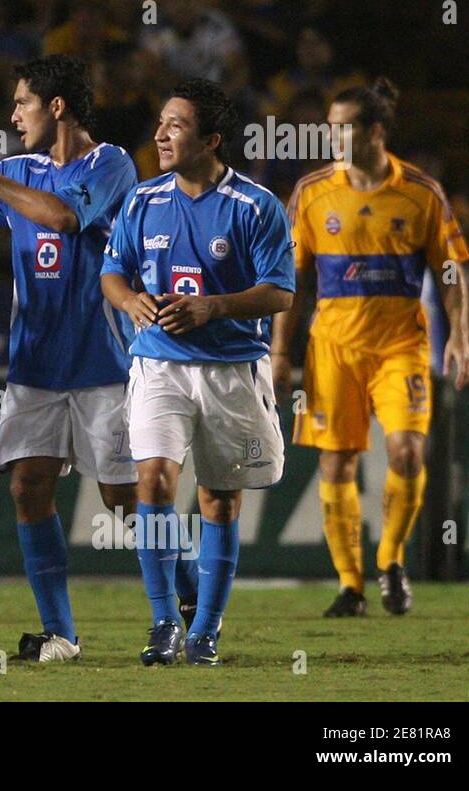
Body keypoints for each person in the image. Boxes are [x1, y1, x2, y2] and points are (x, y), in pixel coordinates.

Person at [0, 56, 140, 662]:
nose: (14, 114)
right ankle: (61, 633)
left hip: (103, 363)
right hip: (34, 366)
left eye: (23, 103)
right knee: (28, 487)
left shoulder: (111, 164)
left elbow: (66, 217)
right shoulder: (19, 169)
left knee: (126, 500)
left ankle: (184, 607)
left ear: (56, 107)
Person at [101, 78, 294, 666]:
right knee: (154, 482)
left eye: (176, 125)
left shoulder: (255, 206)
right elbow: (113, 271)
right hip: (159, 364)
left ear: (211, 139)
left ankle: (206, 629)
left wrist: (216, 305)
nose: (160, 134)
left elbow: (281, 294)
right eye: (161, 122)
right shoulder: (142, 200)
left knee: (218, 501)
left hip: (232, 369)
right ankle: (164, 621)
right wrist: (129, 300)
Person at [273, 78, 469, 618]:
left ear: (376, 131)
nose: (332, 136)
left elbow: (451, 270)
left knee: (408, 451)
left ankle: (391, 561)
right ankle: (350, 585)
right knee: (337, 464)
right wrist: (279, 352)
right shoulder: (312, 192)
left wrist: (459, 334)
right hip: (333, 348)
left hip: (401, 347)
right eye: (329, 127)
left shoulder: (421, 192)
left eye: (343, 127)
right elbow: (290, 281)